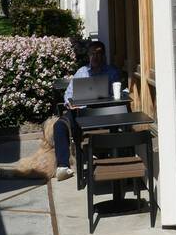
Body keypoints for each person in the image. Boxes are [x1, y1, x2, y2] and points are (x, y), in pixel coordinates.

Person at [52, 41, 125, 181]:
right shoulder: (82, 72)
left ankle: (101, 156)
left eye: (98, 53)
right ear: (88, 55)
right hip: (80, 112)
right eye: (92, 53)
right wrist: (70, 104)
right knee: (59, 126)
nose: (95, 57)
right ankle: (63, 166)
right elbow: (68, 94)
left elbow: (117, 94)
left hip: (102, 112)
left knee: (111, 126)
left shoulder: (111, 72)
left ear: (103, 55)